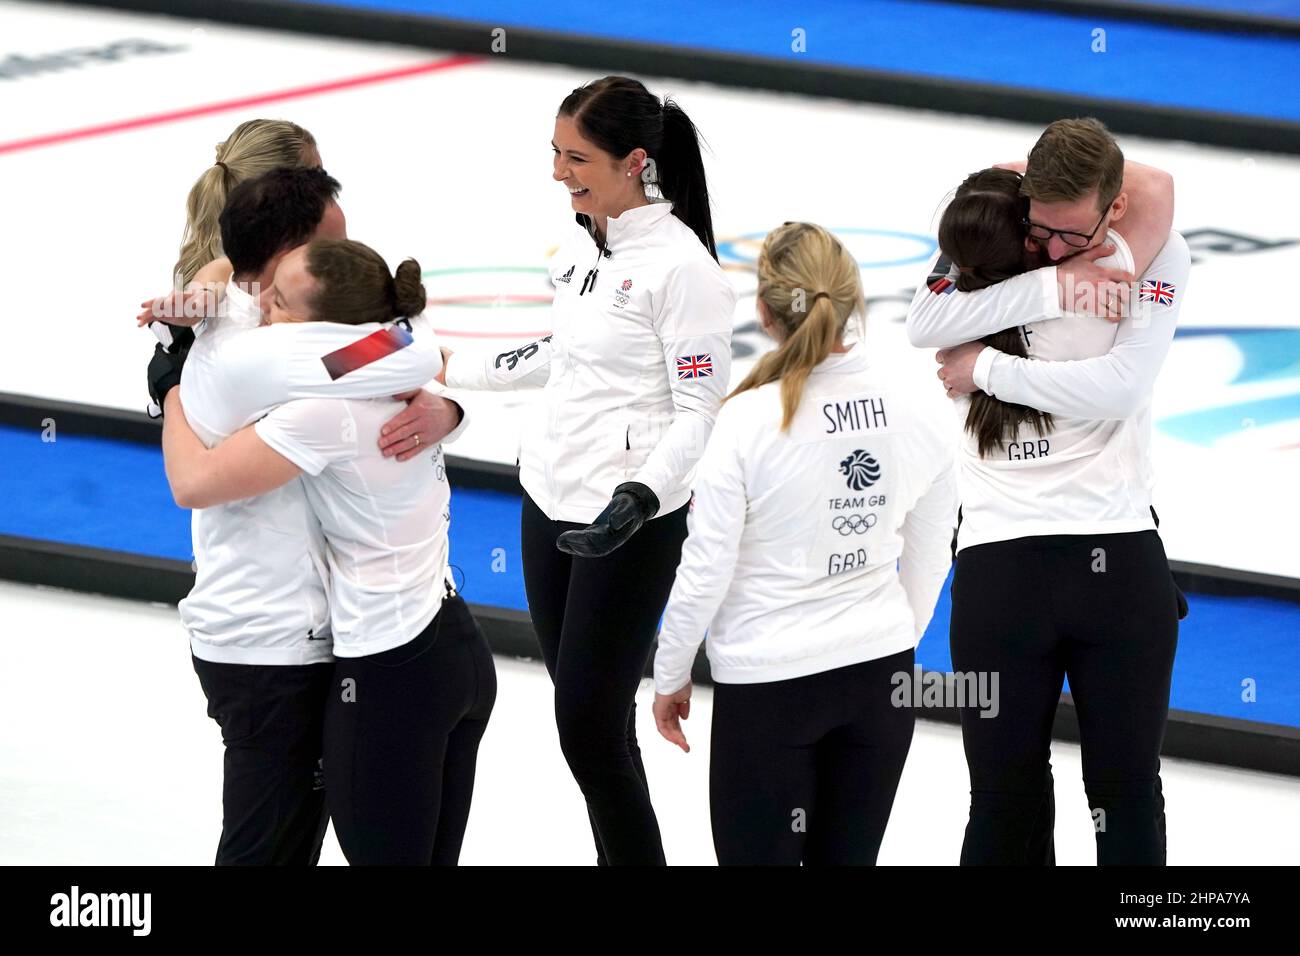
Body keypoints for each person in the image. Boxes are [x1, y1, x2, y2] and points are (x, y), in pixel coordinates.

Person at [439, 76, 737, 865]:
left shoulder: (685, 270)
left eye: (577, 158)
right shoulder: (580, 241)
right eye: (554, 153)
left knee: (591, 729)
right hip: (548, 500)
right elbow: (564, 356)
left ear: (636, 161)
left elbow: (701, 410)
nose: (558, 172)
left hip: (630, 522)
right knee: (582, 726)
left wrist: (638, 499)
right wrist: (447, 363)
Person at [147, 160, 461, 865]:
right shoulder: (275, 350)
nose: (346, 250)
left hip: (305, 634)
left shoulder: (251, 314)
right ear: (283, 258)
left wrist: (449, 407)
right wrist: (172, 381)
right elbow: (409, 353)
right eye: (330, 238)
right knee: (268, 849)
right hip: (273, 642)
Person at [909, 118, 1191, 865]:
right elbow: (918, 321)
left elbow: (1122, 389)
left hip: (1068, 567)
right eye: (1043, 229)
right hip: (1051, 571)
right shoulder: (995, 235)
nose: (1055, 245)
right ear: (1025, 195)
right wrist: (1055, 282)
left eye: (1073, 236)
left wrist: (986, 370)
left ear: (1115, 208)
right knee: (1018, 798)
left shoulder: (1153, 253)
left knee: (1117, 793)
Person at [650, 222, 957, 865]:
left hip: (770, 687)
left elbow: (705, 567)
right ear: (853, 300)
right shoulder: (923, 405)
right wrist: (891, 642)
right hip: (878, 680)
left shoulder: (745, 420)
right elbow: (931, 555)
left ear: (763, 311)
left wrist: (671, 672)